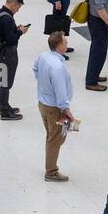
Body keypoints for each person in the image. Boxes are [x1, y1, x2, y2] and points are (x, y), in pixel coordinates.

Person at [33, 31, 74, 181]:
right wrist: (66, 109)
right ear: (59, 45)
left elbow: (35, 68)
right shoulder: (57, 67)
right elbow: (60, 90)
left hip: (43, 104)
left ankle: (50, 166)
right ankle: (51, 172)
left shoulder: (43, 56)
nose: (67, 43)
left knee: (52, 136)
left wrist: (43, 84)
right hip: (55, 109)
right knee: (55, 139)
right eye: (65, 42)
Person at [0, 0, 29, 120]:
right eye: (18, 7)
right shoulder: (6, 19)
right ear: (13, 4)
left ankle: (3, 106)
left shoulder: (0, 13)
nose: (18, 10)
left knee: (2, 79)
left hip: (0, 53)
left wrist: (15, 30)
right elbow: (10, 39)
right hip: (7, 54)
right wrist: (20, 32)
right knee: (6, 82)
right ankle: (5, 111)